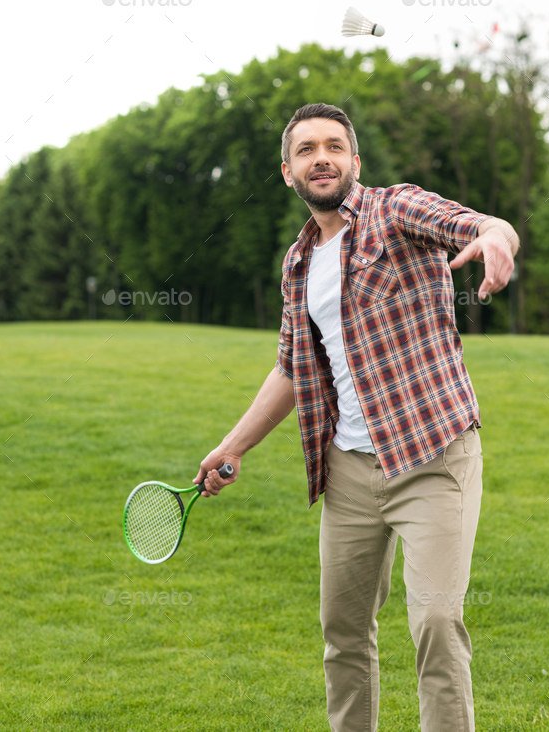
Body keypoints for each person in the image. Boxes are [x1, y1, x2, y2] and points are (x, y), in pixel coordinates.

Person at [195, 102, 518, 732]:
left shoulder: (395, 210)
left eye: (335, 146)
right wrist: (231, 446)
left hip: (433, 457)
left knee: (435, 622)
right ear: (287, 171)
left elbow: (471, 221)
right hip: (347, 472)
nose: (323, 158)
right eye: (307, 149)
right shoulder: (297, 264)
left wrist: (495, 238)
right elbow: (292, 367)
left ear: (355, 161)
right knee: (343, 634)